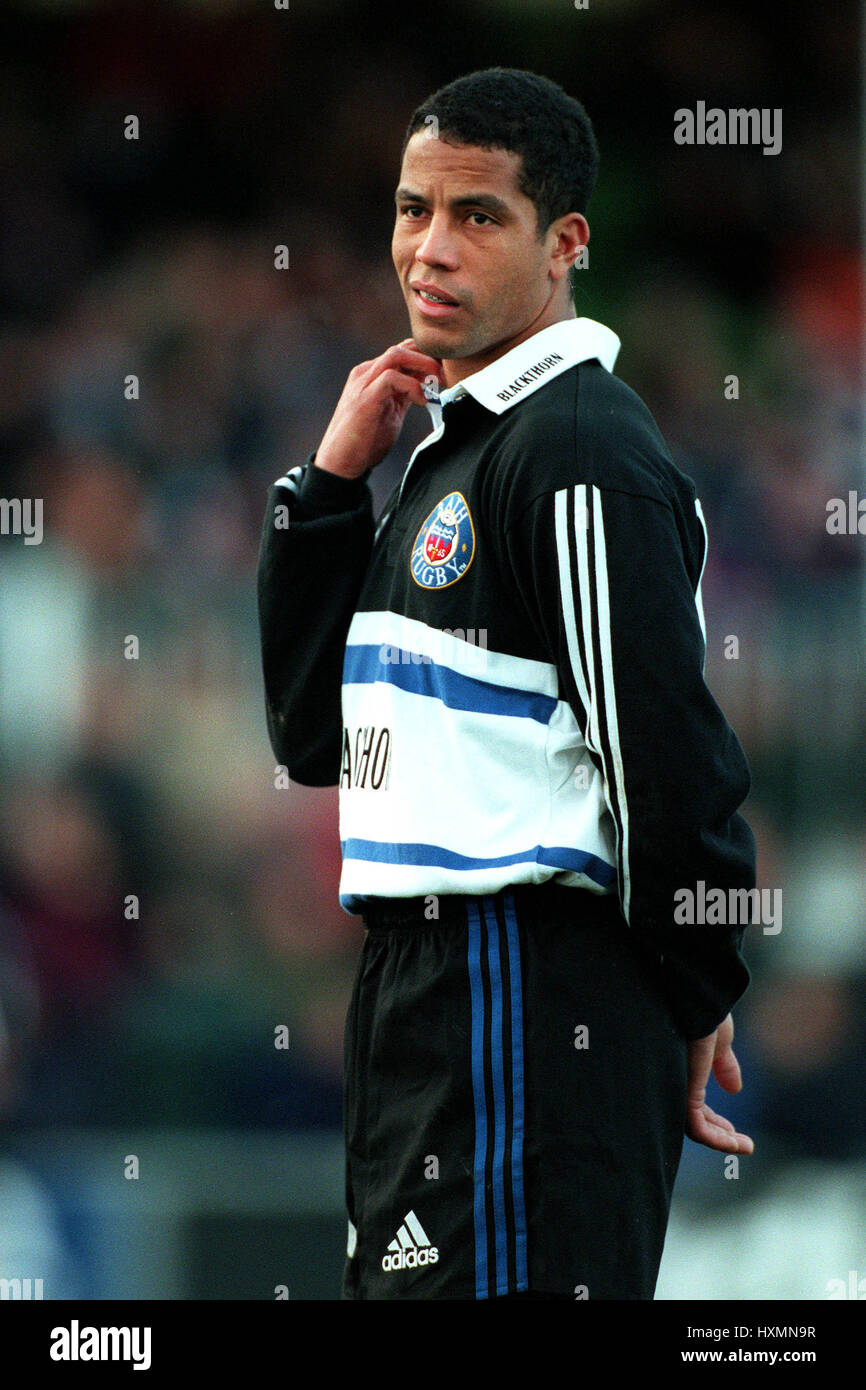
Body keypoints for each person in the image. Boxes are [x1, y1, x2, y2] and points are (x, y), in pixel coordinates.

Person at [256, 67, 756, 1301]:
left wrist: (698, 993)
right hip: (420, 998)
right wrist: (324, 498)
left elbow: (665, 757)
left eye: (475, 215)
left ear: (562, 243)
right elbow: (311, 738)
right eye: (410, 209)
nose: (428, 248)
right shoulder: (440, 448)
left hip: (526, 992)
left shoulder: (575, 446)